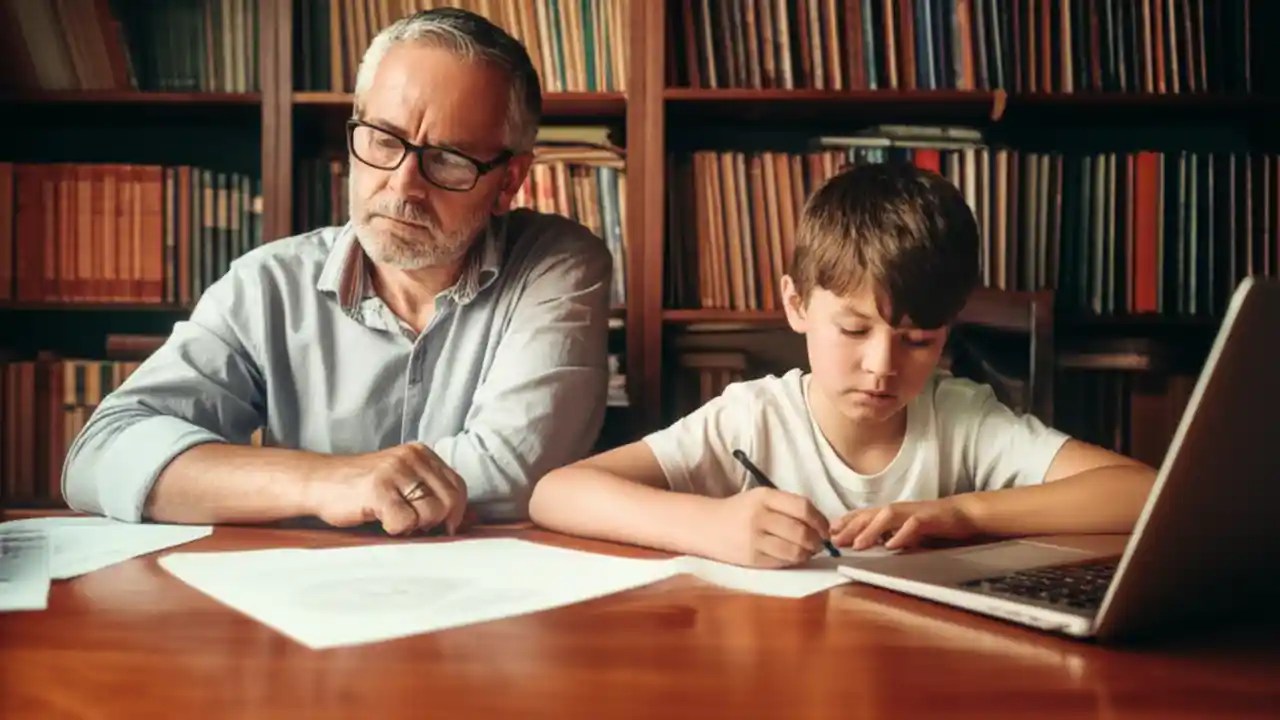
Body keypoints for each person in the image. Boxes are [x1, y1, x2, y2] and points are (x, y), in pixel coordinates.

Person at [63, 8, 613, 535]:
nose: (402, 187)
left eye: (447, 158)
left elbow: (516, 475)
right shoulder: (267, 285)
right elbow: (102, 454)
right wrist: (322, 481)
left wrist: (269, 483)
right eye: (383, 139)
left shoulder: (558, 264)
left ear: (509, 182)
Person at [530, 163, 1156, 568]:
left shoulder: (960, 418)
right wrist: (710, 525)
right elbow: (557, 493)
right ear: (796, 304)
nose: (883, 365)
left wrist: (962, 513)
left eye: (918, 340)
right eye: (855, 329)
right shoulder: (751, 420)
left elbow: (1143, 493)